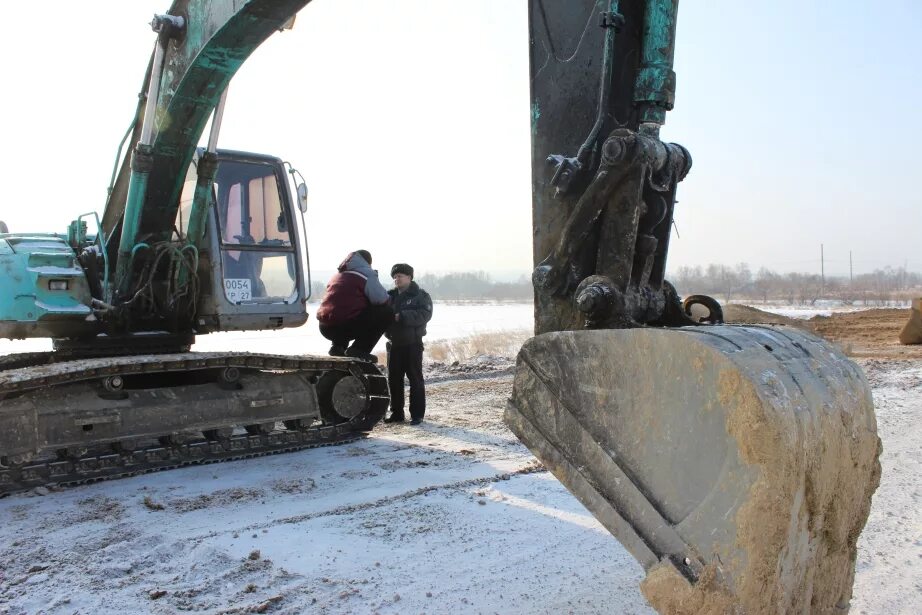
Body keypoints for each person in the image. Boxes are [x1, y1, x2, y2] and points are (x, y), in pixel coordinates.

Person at [316, 250, 393, 362]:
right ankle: (359, 349)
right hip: (347, 326)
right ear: (368, 263)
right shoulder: (367, 274)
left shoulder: (337, 276)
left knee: (345, 309)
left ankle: (337, 347)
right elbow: (382, 300)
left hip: (325, 327)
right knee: (386, 312)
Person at [384, 263, 433, 425]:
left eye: (400, 276)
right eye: (395, 277)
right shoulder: (389, 296)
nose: (397, 279)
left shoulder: (420, 295)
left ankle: (417, 415)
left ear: (409, 277)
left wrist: (402, 316)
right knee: (394, 379)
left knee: (415, 379)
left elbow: (425, 314)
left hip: (413, 343)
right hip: (394, 344)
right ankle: (397, 413)